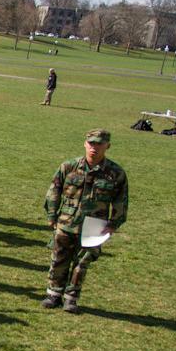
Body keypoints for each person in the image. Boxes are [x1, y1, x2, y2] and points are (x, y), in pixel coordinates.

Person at [43, 129, 128, 313]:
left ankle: (71, 298)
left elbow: (121, 201)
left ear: (107, 146)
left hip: (94, 227)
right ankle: (53, 294)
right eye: (91, 143)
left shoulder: (116, 173)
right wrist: (51, 216)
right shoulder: (69, 166)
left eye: (99, 144)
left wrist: (114, 223)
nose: (94, 148)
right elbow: (54, 190)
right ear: (85, 144)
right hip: (66, 221)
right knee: (59, 258)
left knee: (81, 264)